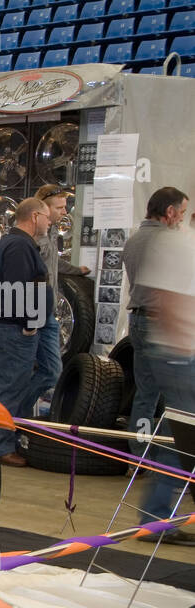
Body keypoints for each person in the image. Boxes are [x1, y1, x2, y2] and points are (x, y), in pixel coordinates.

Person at [133, 219, 195, 544]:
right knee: (181, 441)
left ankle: (155, 516)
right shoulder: (181, 245)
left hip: (180, 355)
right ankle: (155, 517)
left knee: (178, 439)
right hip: (180, 356)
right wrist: (182, 352)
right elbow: (167, 303)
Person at [123, 186, 189, 456]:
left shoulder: (134, 240)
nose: (182, 220)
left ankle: (136, 456)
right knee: (178, 399)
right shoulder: (167, 242)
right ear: (169, 211)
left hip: (138, 320)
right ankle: (168, 459)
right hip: (161, 324)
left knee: (146, 393)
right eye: (181, 213)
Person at [0, 197, 52, 467]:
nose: (50, 223)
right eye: (47, 217)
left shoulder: (17, 243)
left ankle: (9, 434)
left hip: (13, 326)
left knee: (16, 384)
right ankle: (0, 447)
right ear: (35, 216)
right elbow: (19, 288)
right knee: (11, 386)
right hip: (15, 328)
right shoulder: (18, 246)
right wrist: (29, 323)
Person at [32, 184, 90, 409]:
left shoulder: (52, 232)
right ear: (43, 207)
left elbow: (52, 263)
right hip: (34, 312)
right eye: (60, 207)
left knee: (50, 370)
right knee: (39, 370)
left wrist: (77, 271)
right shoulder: (35, 234)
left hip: (47, 311)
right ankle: (15, 416)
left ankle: (21, 414)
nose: (64, 212)